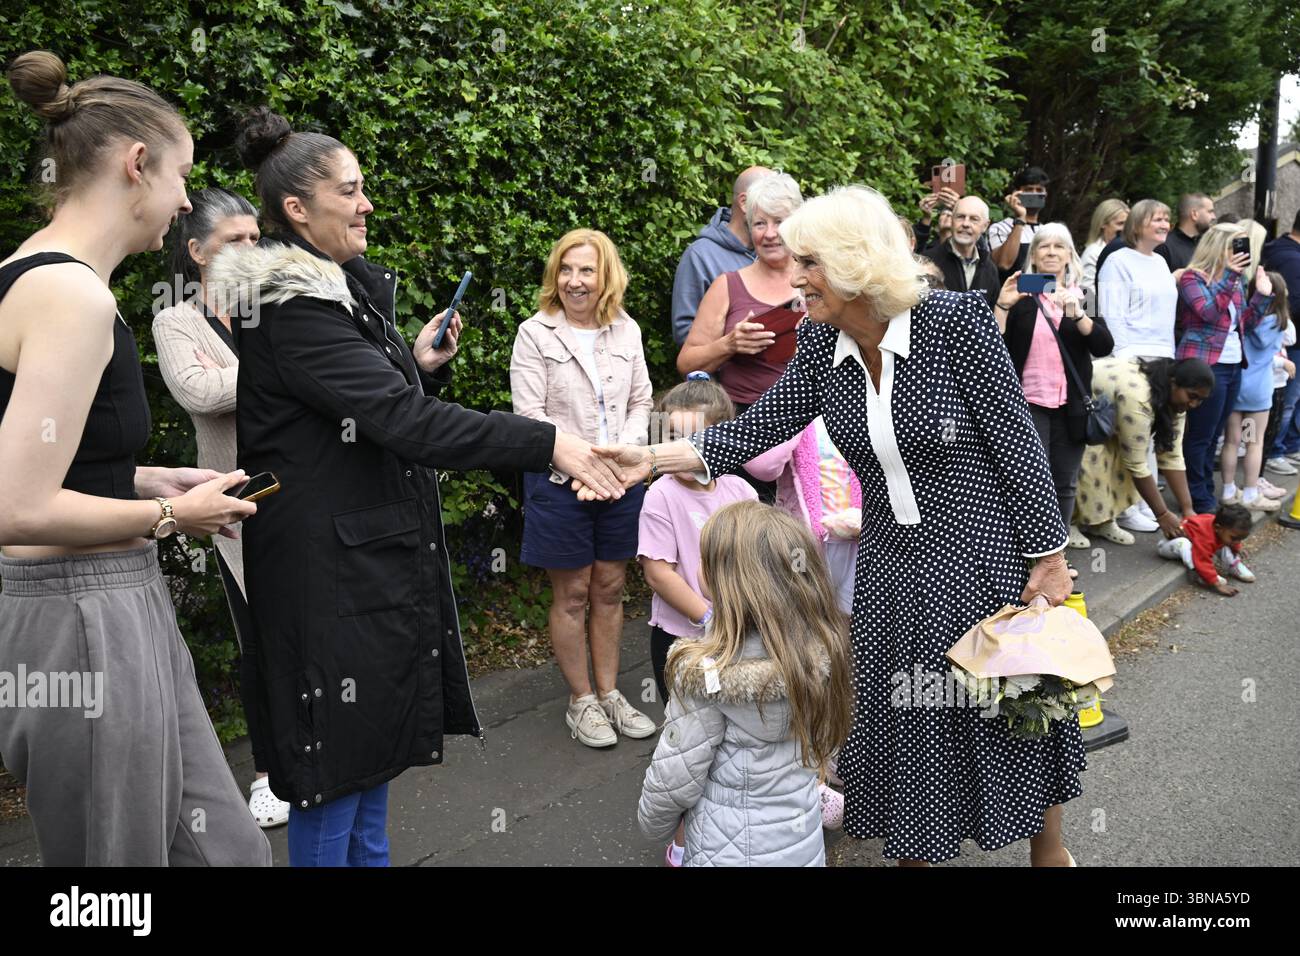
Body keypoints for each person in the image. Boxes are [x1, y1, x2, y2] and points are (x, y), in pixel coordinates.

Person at [589, 185, 1084, 866]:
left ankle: (1048, 851)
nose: (793, 278)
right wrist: (647, 456)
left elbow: (1017, 444)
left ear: (856, 264)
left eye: (809, 263)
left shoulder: (957, 324)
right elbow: (759, 424)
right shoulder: (823, 340)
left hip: (979, 557)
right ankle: (919, 853)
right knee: (913, 726)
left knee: (1013, 707)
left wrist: (1047, 557)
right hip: (890, 564)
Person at [219, 107, 626, 866]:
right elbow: (404, 423)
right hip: (328, 577)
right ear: (298, 210)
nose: (367, 202)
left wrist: (414, 361)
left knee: (369, 766)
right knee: (334, 773)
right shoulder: (294, 305)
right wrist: (551, 442)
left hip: (360, 567)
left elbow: (371, 406)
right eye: (351, 190)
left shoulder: (334, 292)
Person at [0, 50, 271, 866]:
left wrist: (151, 479)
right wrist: (171, 515)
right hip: (79, 618)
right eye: (183, 175)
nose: (187, 201)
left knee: (228, 852)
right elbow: (15, 506)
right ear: (136, 164)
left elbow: (54, 464)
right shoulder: (69, 296)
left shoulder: (48, 278)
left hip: (116, 604)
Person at [153, 187, 290, 828]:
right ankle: (268, 773)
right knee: (258, 637)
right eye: (233, 240)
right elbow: (201, 391)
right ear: (197, 252)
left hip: (306, 492)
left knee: (308, 628)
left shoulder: (276, 308)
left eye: (254, 238)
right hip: (237, 505)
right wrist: (291, 366)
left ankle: (318, 749)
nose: (249, 250)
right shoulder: (175, 321)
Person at [637, 501, 853, 867]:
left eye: (703, 558)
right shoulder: (822, 658)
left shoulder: (704, 677)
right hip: (801, 847)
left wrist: (653, 825)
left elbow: (674, 779)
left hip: (726, 851)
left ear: (724, 580)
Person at [511, 228, 656, 749]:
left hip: (621, 478)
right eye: (566, 270)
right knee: (572, 593)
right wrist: (582, 469)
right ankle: (581, 702)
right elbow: (530, 418)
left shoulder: (627, 330)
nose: (575, 281)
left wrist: (629, 453)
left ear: (606, 277)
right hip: (559, 482)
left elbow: (641, 402)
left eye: (586, 271)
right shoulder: (535, 333)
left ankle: (611, 691)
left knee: (611, 587)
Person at [635, 377, 757, 865]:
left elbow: (757, 562)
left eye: (694, 441)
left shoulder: (741, 489)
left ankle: (736, 827)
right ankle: (685, 836)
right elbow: (658, 573)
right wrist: (709, 617)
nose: (681, 452)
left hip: (739, 640)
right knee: (690, 743)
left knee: (736, 735)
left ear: (722, 439)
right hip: (683, 643)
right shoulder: (660, 496)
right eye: (672, 439)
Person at [995, 224, 1114, 554]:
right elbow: (995, 348)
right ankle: (1026, 553)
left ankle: (1056, 557)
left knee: (1065, 481)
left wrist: (1078, 316)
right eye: (1043, 246)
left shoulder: (1083, 296)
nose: (1050, 251)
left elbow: (1104, 345)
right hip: (1027, 403)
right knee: (1030, 483)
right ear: (1032, 256)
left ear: (1068, 255)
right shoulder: (1021, 296)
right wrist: (1003, 306)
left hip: (1070, 406)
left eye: (1058, 246)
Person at [676, 172, 805, 412]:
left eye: (779, 222)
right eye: (759, 223)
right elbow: (687, 364)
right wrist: (730, 344)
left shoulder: (818, 279)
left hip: (812, 419)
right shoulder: (727, 286)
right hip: (742, 419)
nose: (769, 233)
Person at [1175, 224, 1275, 514]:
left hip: (1233, 365)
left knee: (1215, 434)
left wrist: (1262, 297)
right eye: (1235, 246)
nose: (1240, 253)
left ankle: (1205, 490)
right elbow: (1207, 312)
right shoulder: (1193, 277)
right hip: (1204, 365)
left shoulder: (1234, 282)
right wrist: (1230, 276)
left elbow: (1244, 323)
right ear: (1218, 246)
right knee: (1200, 436)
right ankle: (1197, 496)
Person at [1097, 199, 1178, 533]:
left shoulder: (1160, 261)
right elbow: (1112, 312)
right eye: (1157, 219)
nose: (1164, 224)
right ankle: (1128, 507)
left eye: (1167, 219)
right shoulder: (1118, 261)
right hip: (1131, 360)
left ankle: (1147, 504)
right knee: (1132, 438)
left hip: (1163, 358)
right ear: (1138, 223)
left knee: (1155, 435)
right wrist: (1124, 361)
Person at [1074, 357, 1211, 545]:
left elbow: (1172, 455)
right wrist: (1162, 514)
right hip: (1075, 402)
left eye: (1201, 400)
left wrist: (1188, 510)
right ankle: (1068, 524)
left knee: (1119, 458)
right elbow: (1136, 464)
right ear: (1173, 383)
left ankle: (1101, 521)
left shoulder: (1177, 402)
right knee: (1093, 458)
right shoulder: (1139, 397)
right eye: (1192, 396)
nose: (1194, 404)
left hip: (1106, 413)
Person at [669, 165, 772, 345]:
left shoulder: (776, 250)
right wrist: (734, 344)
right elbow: (685, 335)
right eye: (771, 201)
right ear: (744, 203)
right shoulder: (700, 256)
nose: (777, 210)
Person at [1221, 270, 1285, 511]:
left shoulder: (1244, 319)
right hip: (1258, 393)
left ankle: (1227, 490)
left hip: (1237, 386)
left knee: (1230, 441)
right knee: (1253, 443)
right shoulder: (1279, 323)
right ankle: (1249, 492)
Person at [1262, 210, 1300, 476]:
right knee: (1286, 399)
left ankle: (1287, 444)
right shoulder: (1290, 258)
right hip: (1286, 345)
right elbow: (1291, 304)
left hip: (1289, 343)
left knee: (1291, 399)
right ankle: (1275, 449)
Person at [1155, 502, 1255, 595]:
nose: (1237, 542)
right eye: (1234, 538)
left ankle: (1234, 565)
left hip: (1195, 543)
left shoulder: (1222, 528)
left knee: (1227, 543)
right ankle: (1200, 574)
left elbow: (1234, 540)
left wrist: (1237, 548)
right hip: (1168, 545)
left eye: (1241, 539)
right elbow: (1202, 560)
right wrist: (1217, 584)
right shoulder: (1205, 536)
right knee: (1184, 544)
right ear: (1217, 528)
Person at [918, 195, 1001, 306]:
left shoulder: (989, 269)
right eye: (960, 217)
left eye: (974, 219)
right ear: (952, 220)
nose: (966, 224)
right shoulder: (928, 262)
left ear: (985, 226)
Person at [990, 165, 1050, 274]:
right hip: (1011, 289)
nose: (1034, 194)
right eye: (1029, 190)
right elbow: (1003, 264)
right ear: (1017, 193)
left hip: (1044, 289)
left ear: (1045, 194)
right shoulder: (1000, 228)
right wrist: (1020, 219)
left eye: (1039, 190)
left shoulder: (1049, 231)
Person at [1080, 198, 1129, 301]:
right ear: (1103, 224)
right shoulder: (1093, 253)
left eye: (1128, 224)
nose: (1125, 229)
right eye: (1120, 223)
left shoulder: (1128, 251)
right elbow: (1088, 297)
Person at [1155, 193, 1216, 271]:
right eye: (1210, 212)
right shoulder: (1164, 247)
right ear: (1194, 214)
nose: (1214, 217)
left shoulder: (1208, 242)